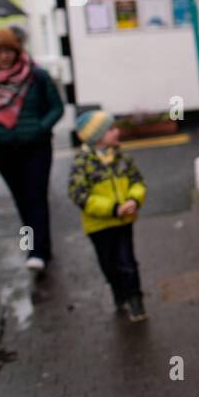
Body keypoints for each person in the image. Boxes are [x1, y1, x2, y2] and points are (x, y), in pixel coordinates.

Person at [0, 27, 64, 272]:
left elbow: (56, 107)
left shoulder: (37, 76)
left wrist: (40, 128)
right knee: (21, 199)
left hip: (36, 147)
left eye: (8, 50)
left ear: (17, 49)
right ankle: (36, 247)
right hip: (2, 148)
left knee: (36, 196)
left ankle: (39, 252)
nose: (3, 56)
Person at [67, 110, 148, 321]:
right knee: (109, 264)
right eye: (111, 129)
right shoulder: (82, 162)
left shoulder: (122, 157)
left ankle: (135, 299)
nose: (117, 131)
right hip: (99, 227)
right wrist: (113, 208)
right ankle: (118, 290)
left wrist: (134, 199)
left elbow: (137, 181)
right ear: (98, 136)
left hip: (124, 222)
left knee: (127, 261)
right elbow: (78, 194)